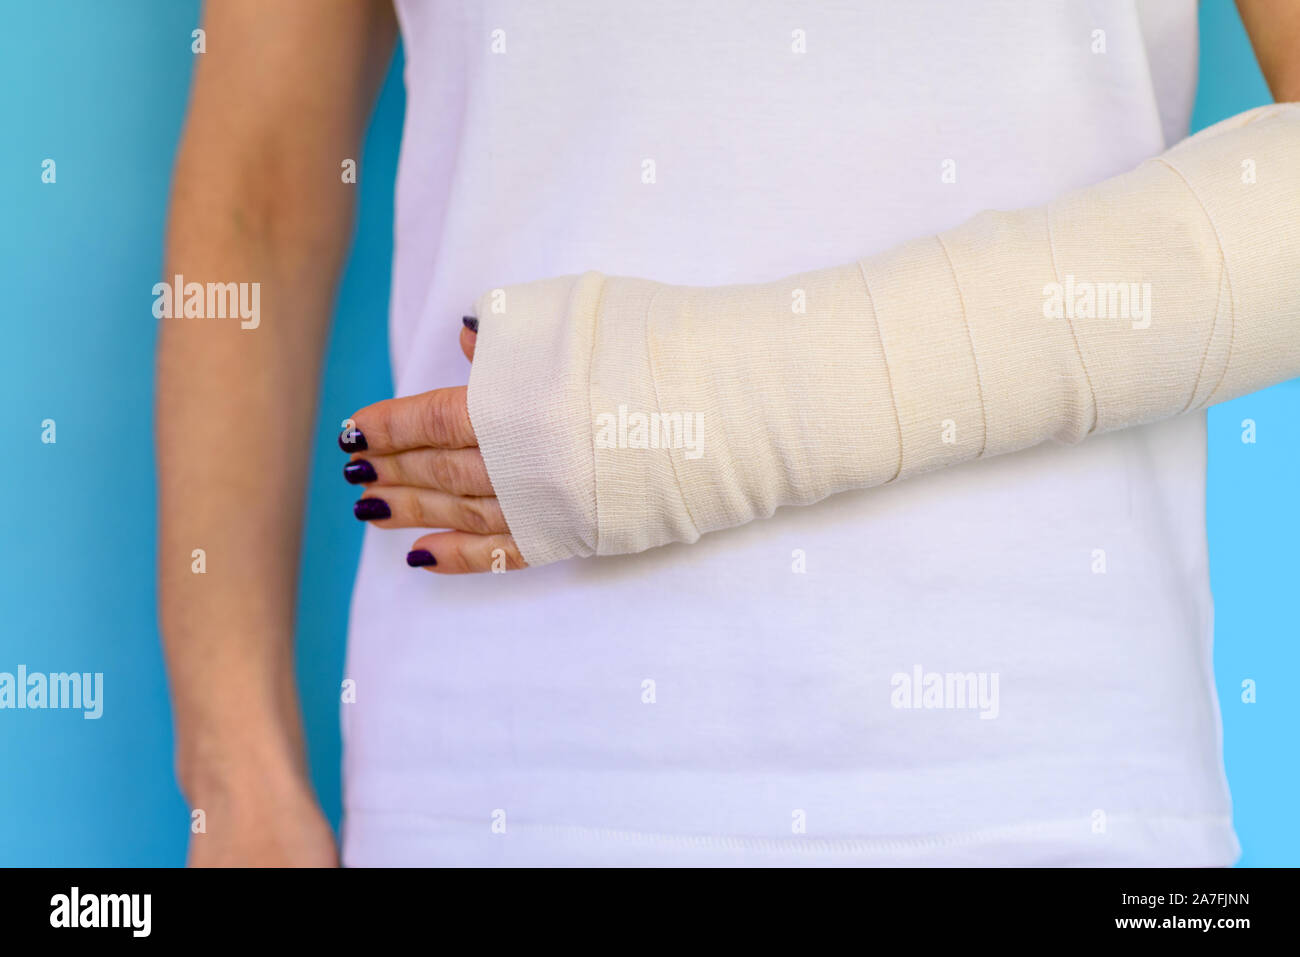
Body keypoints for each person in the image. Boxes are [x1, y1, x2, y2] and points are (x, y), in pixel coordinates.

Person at [157, 0, 1300, 866]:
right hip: (496, 767)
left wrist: (707, 409)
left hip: (1049, 766)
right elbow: (260, 199)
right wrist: (235, 780)